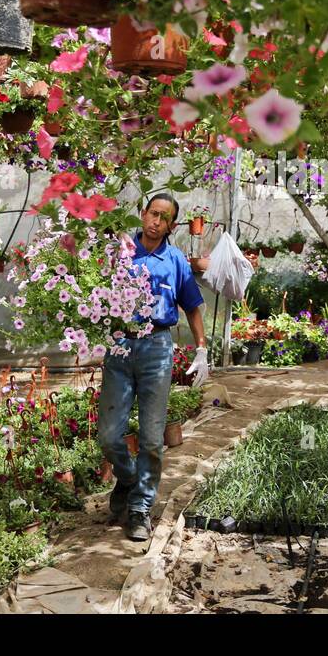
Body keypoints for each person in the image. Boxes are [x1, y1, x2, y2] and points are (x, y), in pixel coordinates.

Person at [99, 193, 210, 542]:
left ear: (171, 225)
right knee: (109, 435)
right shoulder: (121, 252)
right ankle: (130, 479)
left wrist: (202, 349)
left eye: (164, 217)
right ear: (143, 214)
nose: (156, 222)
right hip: (120, 344)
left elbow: (191, 306)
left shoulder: (175, 259)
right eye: (152, 214)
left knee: (150, 436)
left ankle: (140, 508)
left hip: (157, 347)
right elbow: (94, 293)